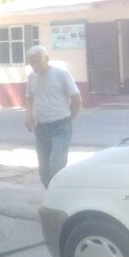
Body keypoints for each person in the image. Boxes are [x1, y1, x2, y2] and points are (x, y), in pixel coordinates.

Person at [25, 45, 82, 187]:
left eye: (38, 61)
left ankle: (61, 194)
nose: (35, 65)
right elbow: (29, 97)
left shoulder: (61, 74)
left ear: (47, 59)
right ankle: (50, 195)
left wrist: (69, 119)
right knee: (43, 168)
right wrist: (29, 115)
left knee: (56, 164)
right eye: (31, 62)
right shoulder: (32, 77)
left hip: (60, 127)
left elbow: (76, 99)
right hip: (41, 128)